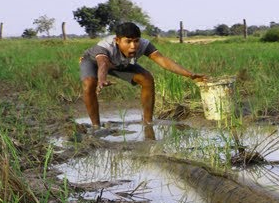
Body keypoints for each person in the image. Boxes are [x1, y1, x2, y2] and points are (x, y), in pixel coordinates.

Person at [79, 21, 207, 131]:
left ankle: (148, 122)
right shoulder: (106, 46)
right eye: (128, 41)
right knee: (89, 84)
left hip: (119, 64)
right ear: (117, 40)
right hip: (93, 62)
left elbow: (163, 60)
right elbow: (103, 63)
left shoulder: (144, 44)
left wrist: (190, 74)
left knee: (147, 79)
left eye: (136, 41)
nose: (133, 46)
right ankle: (96, 126)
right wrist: (102, 80)